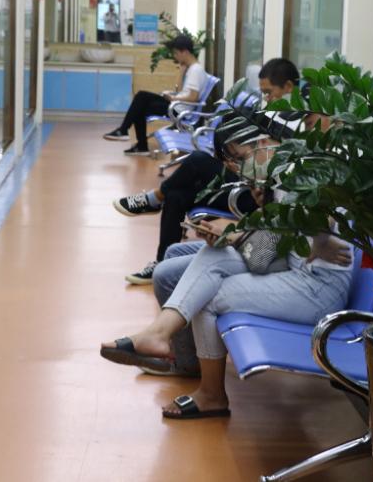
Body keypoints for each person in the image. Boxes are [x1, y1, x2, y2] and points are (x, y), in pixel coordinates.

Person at [100, 198, 355, 417]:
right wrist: (233, 233)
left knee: (208, 296)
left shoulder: (311, 165)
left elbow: (328, 202)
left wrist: (321, 237)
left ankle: (211, 395)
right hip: (289, 263)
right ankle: (159, 333)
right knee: (213, 256)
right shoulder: (283, 169)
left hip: (316, 287)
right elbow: (278, 225)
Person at [112, 58, 303, 284]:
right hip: (246, 181)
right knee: (177, 195)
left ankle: (154, 198)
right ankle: (162, 263)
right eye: (264, 94)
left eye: (269, 93)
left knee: (198, 160)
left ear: (288, 87)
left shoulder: (299, 124)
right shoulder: (272, 114)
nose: (267, 99)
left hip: (255, 196)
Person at [103, 34, 207, 156]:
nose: (175, 56)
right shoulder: (190, 68)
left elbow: (193, 97)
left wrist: (174, 98)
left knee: (140, 106)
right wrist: (181, 72)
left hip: (178, 110)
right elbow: (180, 90)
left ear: (185, 52)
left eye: (176, 53)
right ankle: (127, 134)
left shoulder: (196, 70)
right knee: (141, 96)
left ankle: (132, 138)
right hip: (176, 104)